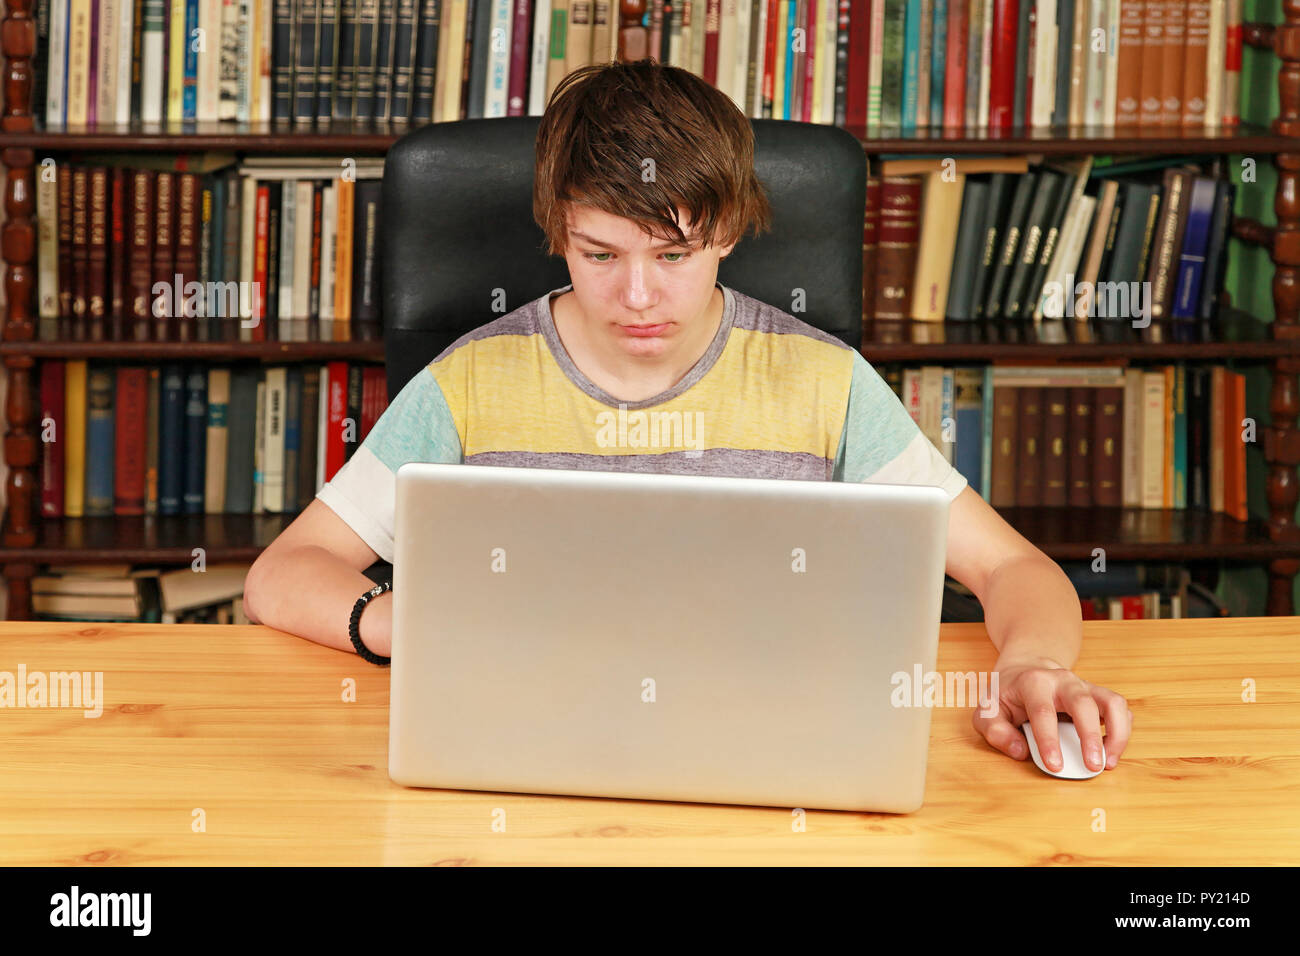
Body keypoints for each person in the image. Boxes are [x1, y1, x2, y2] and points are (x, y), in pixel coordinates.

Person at [243, 59, 1132, 777]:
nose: (638, 297)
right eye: (601, 254)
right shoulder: (469, 382)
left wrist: (1032, 667)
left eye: (675, 254)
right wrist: (402, 622)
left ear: (731, 230)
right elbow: (282, 576)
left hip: (774, 750)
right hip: (531, 750)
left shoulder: (826, 384)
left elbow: (1013, 566)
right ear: (557, 230)